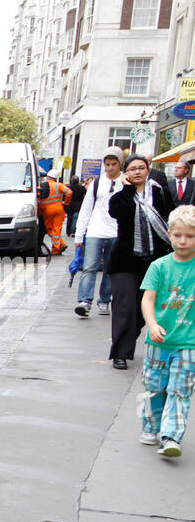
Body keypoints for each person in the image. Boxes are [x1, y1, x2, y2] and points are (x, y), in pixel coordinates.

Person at [137, 204, 195, 456]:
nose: (182, 241)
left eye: (190, 236)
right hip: (158, 341)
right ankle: (150, 425)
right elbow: (148, 299)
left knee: (180, 390)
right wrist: (152, 324)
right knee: (153, 387)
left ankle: (171, 436)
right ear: (169, 234)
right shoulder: (159, 266)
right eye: (177, 235)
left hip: (189, 344)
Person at [106, 154, 172, 370]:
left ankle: (127, 341)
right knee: (125, 307)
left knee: (143, 311)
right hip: (125, 260)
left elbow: (170, 219)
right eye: (132, 169)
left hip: (154, 260)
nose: (137, 172)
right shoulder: (121, 195)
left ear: (147, 170)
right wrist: (126, 190)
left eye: (141, 168)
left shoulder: (159, 192)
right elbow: (116, 212)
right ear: (126, 173)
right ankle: (121, 354)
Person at [73, 146, 126, 317]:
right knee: (89, 268)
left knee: (111, 269)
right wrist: (79, 235)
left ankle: (104, 300)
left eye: (114, 164)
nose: (110, 168)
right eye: (107, 164)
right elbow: (86, 209)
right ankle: (84, 301)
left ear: (120, 164)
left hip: (116, 232)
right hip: (95, 231)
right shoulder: (96, 183)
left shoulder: (126, 182)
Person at [37, 172, 71, 254]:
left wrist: (40, 211)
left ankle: (59, 246)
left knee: (49, 229)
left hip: (47, 210)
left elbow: (39, 199)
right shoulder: (58, 185)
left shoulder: (41, 186)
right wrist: (66, 203)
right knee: (57, 229)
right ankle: (58, 247)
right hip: (59, 208)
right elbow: (69, 192)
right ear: (55, 178)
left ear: (47, 177)